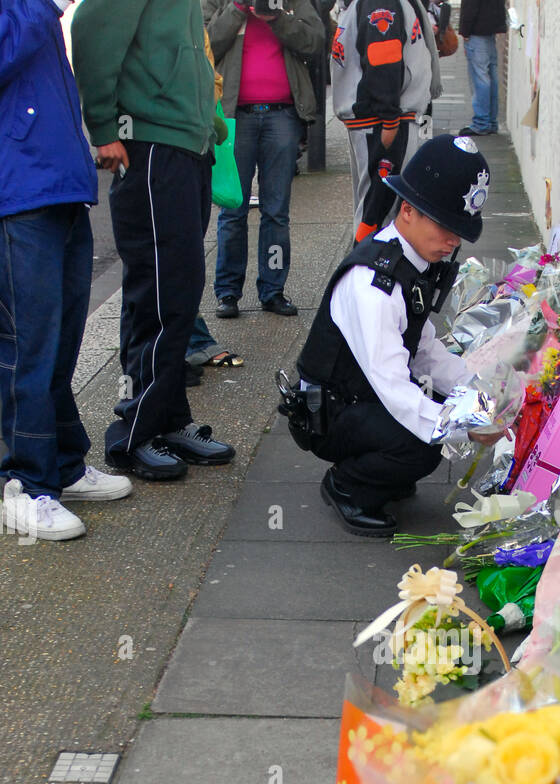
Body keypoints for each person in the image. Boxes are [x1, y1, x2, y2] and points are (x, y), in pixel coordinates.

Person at [292, 134, 496, 538]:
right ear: (407, 211)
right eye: (445, 226)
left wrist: (482, 395)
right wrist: (457, 424)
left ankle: (381, 470)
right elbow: (391, 382)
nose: (453, 240)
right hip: (329, 414)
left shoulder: (409, 258)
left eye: (460, 230)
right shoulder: (375, 286)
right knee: (423, 445)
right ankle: (347, 485)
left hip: (358, 395)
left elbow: (423, 350)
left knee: (442, 409)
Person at [72, 0, 235, 482]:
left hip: (182, 145)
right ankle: (135, 431)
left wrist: (208, 123)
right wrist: (104, 128)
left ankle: (167, 419)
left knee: (176, 293)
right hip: (152, 146)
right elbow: (91, 26)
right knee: (160, 295)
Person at [0, 0, 132, 542]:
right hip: (17, 187)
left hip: (56, 182)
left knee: (56, 339)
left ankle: (63, 463)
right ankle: (25, 484)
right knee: (26, 343)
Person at [203, 0, 326, 320]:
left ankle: (273, 290)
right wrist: (238, 9)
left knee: (276, 211)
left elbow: (315, 41)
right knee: (232, 209)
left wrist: (275, 18)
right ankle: (228, 291)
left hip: (281, 116)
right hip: (234, 117)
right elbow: (206, 43)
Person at [331, 0, 441, 244]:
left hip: (381, 117)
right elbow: (384, 58)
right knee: (379, 208)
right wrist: (390, 120)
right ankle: (366, 271)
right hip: (386, 120)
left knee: (378, 203)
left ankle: (368, 267)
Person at [458, 0, 506, 137]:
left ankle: (481, 123)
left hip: (476, 31)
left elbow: (471, 6)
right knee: (491, 76)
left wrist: (465, 31)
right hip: (490, 30)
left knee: (480, 78)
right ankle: (491, 122)